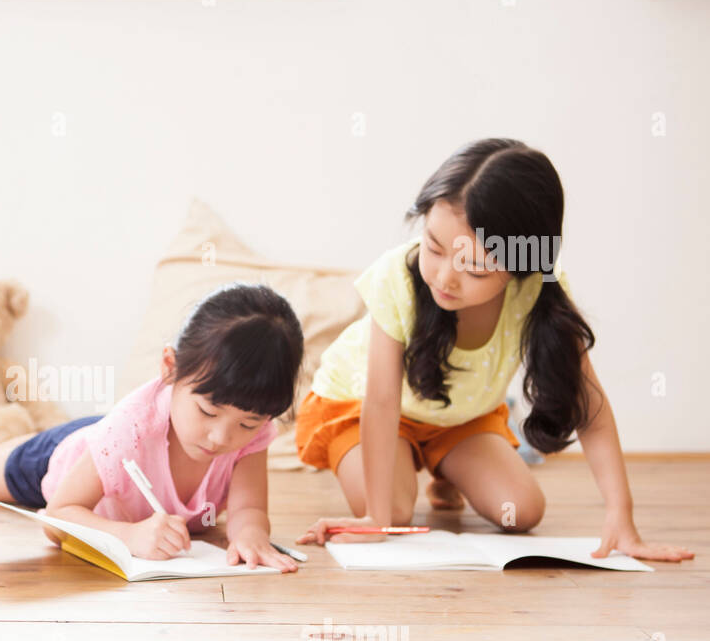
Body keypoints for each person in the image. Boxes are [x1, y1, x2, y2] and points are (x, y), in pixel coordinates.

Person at [296, 138, 693, 564]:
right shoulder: (397, 278)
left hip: (459, 417)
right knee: (393, 514)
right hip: (363, 407)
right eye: (433, 247)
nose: (445, 278)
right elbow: (381, 401)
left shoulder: (538, 290)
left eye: (475, 267)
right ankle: (401, 465)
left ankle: (444, 467)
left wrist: (621, 515)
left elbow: (589, 406)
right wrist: (375, 518)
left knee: (521, 512)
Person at [0, 283, 304, 570]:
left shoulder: (252, 431)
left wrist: (250, 535)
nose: (221, 438)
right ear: (170, 368)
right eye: (208, 412)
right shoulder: (128, 429)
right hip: (69, 456)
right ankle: (35, 438)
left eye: (247, 423)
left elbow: (248, 509)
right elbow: (57, 518)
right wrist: (129, 536)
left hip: (115, 440)